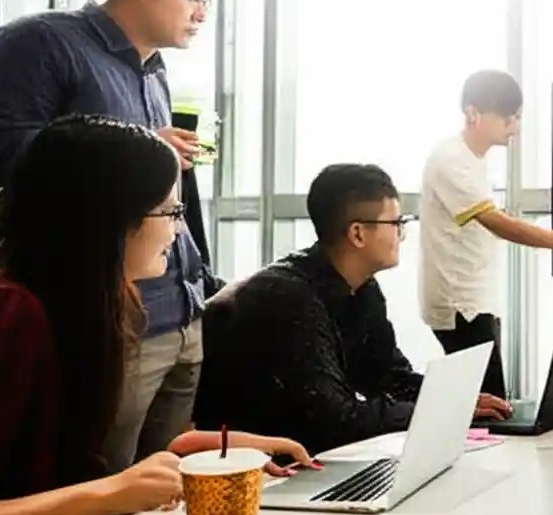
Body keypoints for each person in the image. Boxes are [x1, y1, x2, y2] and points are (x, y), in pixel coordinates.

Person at [0, 117, 310, 515]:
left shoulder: (94, 305)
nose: (178, 231)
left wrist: (186, 454)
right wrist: (108, 493)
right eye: (170, 213)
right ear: (109, 217)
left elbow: (56, 465)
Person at [0, 0, 222, 473]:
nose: (202, 13)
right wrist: (137, 147)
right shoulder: (41, 42)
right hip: (103, 312)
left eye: (208, 1)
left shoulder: (154, 71)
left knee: (162, 494)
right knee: (94, 491)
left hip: (177, 307)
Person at [194, 164, 513, 455]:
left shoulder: (362, 287)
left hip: (302, 447)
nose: (401, 234)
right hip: (253, 465)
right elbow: (336, 420)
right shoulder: (289, 297)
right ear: (358, 233)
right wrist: (441, 409)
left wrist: (455, 398)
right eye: (396, 223)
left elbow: (388, 375)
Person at [419, 70, 553, 397]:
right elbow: (498, 223)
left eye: (518, 118)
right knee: (488, 405)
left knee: (487, 402)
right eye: (509, 119)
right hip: (460, 305)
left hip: (474, 299)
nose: (516, 129)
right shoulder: (451, 160)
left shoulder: (473, 160)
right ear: (472, 113)